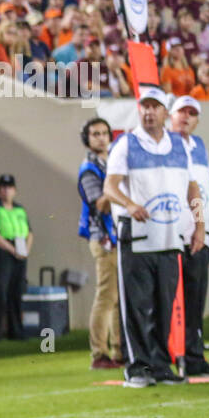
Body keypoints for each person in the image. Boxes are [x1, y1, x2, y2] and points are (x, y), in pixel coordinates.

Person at [104, 88, 205, 387]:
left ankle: (161, 367)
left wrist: (199, 225)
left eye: (155, 107)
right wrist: (129, 204)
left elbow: (193, 189)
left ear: (165, 112)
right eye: (144, 106)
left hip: (169, 237)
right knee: (136, 305)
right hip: (137, 238)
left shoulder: (179, 146)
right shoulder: (126, 144)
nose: (149, 112)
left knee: (163, 305)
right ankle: (137, 368)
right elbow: (110, 187)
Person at [169, 95, 209, 376]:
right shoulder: (165, 145)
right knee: (171, 302)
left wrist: (207, 228)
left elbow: (208, 188)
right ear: (171, 115)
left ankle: (194, 356)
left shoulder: (199, 146)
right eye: (181, 112)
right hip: (176, 236)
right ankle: (169, 358)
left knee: (196, 301)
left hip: (200, 236)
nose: (186, 117)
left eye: (192, 113)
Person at [77, 117, 122, 369]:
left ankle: (119, 351)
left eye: (105, 133)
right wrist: (119, 187)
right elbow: (101, 203)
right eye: (95, 133)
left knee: (117, 298)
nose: (101, 137)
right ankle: (99, 354)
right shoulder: (89, 169)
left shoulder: (110, 162)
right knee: (106, 296)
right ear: (87, 138)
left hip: (115, 236)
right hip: (103, 237)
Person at [0, 174, 31, 341]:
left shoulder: (20, 209)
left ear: (15, 190)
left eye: (9, 187)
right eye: (3, 187)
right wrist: (13, 250)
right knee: (0, 293)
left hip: (20, 251)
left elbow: (29, 232)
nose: (6, 191)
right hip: (2, 253)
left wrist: (25, 250)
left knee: (16, 293)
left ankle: (16, 331)